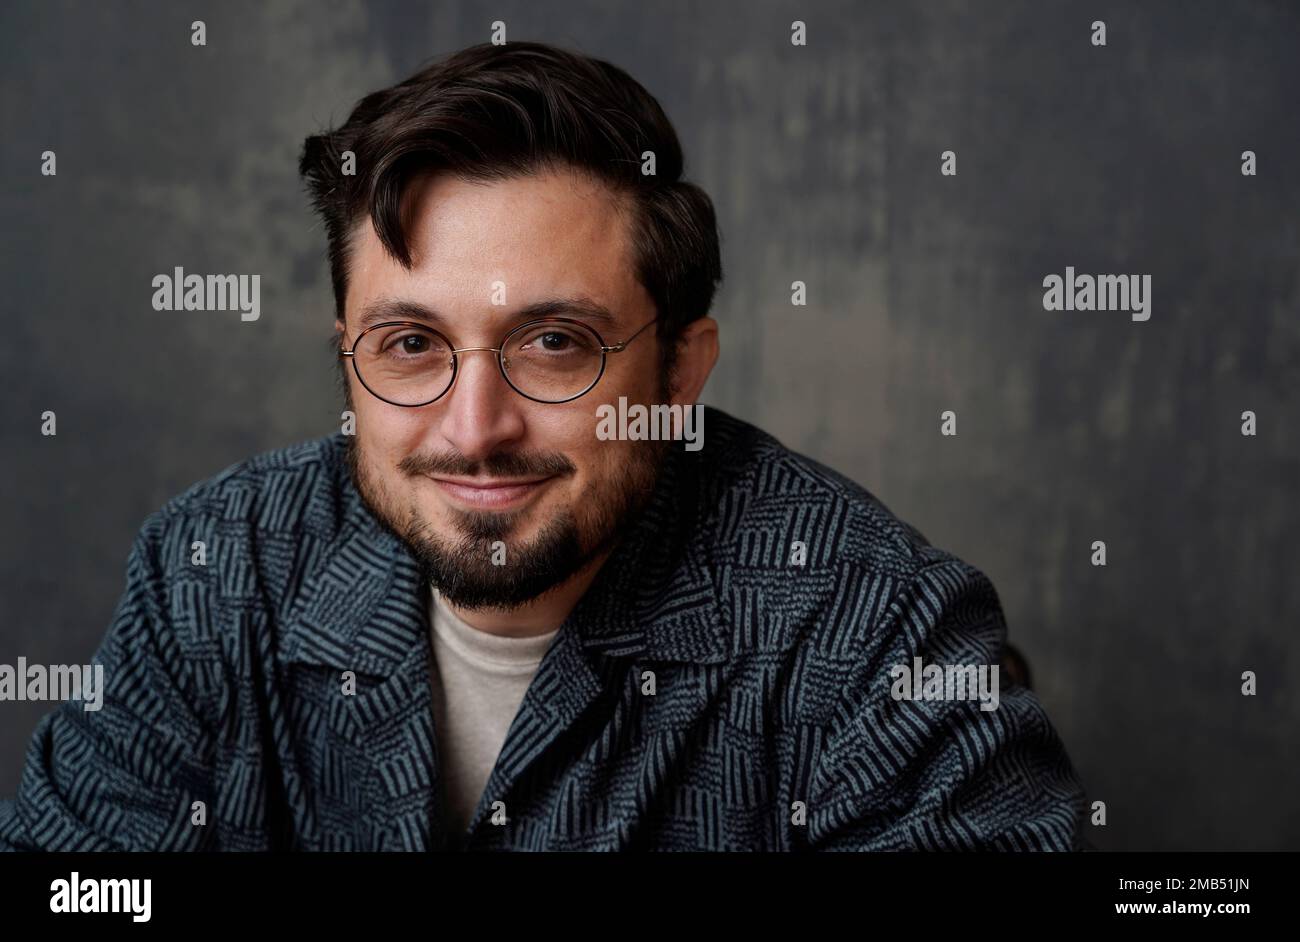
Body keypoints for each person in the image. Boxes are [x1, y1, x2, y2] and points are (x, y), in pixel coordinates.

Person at [0, 40, 1086, 851]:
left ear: (681, 369)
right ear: (347, 356)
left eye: (556, 344)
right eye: (411, 343)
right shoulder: (210, 571)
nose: (475, 430)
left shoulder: (875, 630)